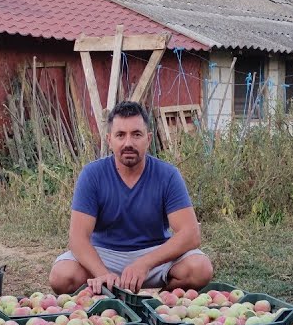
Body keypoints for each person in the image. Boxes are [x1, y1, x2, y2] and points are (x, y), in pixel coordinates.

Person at [49, 100, 214, 296]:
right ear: (109, 140)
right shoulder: (92, 175)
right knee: (61, 276)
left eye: (136, 134)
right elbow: (78, 238)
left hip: (154, 254)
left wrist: (144, 263)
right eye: (120, 135)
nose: (128, 143)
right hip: (104, 255)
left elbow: (190, 234)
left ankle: (157, 302)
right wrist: (102, 273)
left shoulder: (167, 175)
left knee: (200, 268)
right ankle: (107, 298)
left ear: (148, 139)